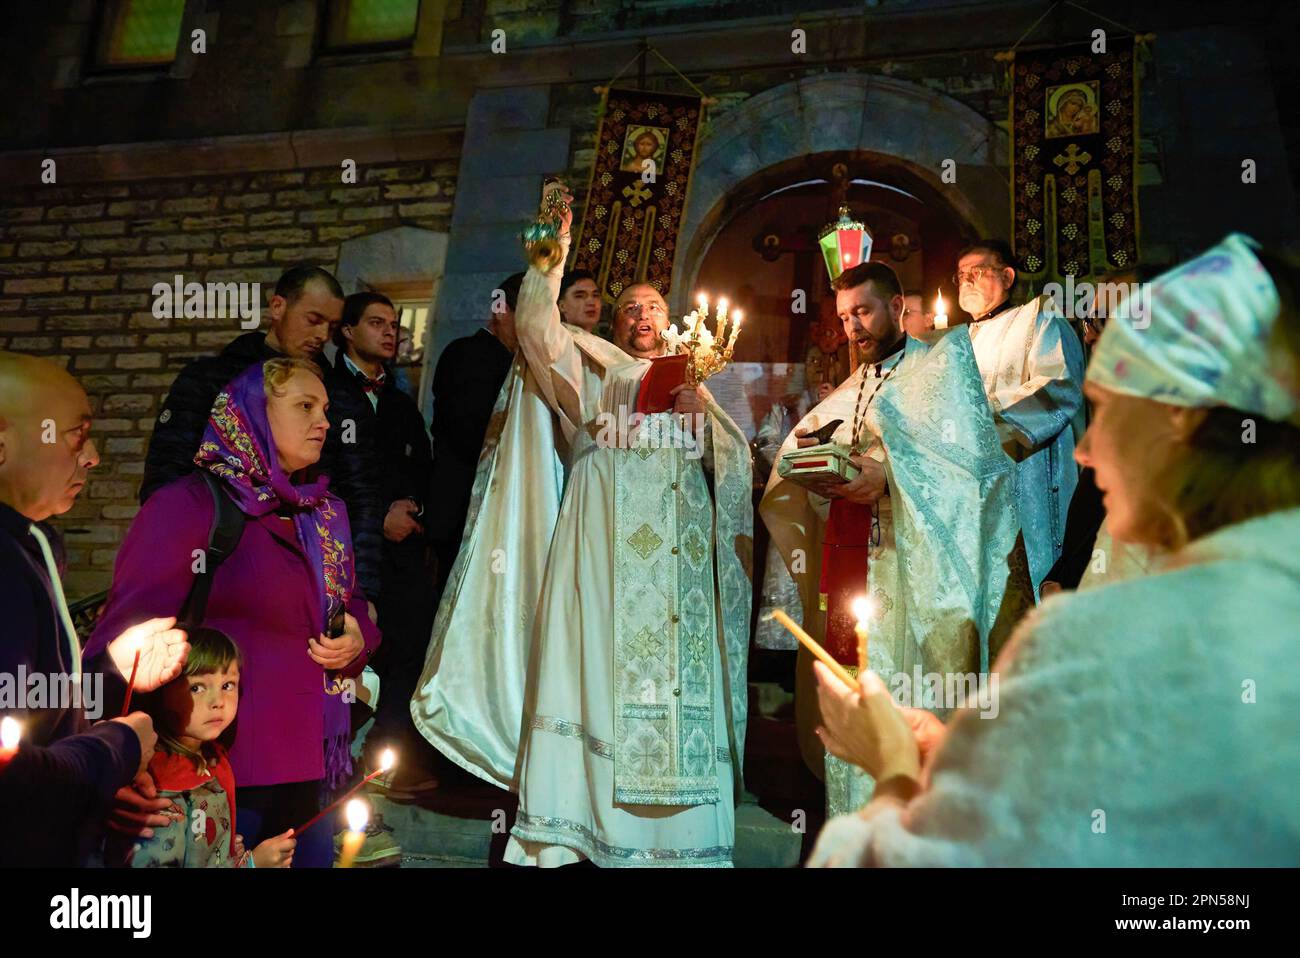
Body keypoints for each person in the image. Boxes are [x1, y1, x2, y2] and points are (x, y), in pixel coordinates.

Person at [807, 234, 1300, 866]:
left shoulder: (1096, 634)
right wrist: (958, 751)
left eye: (1107, 411)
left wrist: (895, 768)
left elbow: (904, 858)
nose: (1087, 451)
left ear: (1178, 418)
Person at [416, 181, 753, 867]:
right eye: (627, 308)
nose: (638, 317)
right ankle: (578, 824)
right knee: (595, 663)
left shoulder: (697, 379)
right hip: (603, 536)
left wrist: (698, 416)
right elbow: (536, 330)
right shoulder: (590, 360)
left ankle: (675, 836)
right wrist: (550, 254)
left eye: (652, 307)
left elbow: (737, 463)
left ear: (673, 320)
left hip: (677, 555)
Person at [87, 358, 381, 868]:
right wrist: (111, 759)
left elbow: (346, 601)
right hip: (217, 767)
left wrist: (359, 635)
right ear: (254, 415)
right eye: (305, 407)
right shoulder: (189, 506)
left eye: (327, 410)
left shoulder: (324, 513)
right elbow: (121, 644)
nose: (325, 423)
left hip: (312, 762)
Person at [759, 262, 1022, 811]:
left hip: (914, 577)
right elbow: (797, 467)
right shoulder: (854, 386)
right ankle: (858, 830)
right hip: (855, 563)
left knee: (909, 699)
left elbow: (979, 472)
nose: (853, 326)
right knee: (857, 698)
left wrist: (891, 476)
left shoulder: (941, 370)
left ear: (898, 306)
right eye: (844, 316)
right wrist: (822, 476)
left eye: (864, 311)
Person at [0, 351, 187, 865]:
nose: (94, 456)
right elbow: (10, 777)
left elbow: (32, 712)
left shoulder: (31, 545)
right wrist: (117, 748)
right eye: (76, 436)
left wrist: (106, 672)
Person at [140, 265, 384, 602]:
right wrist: (169, 563)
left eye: (330, 326)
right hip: (215, 551)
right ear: (278, 307)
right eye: (313, 319)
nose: (322, 335)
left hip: (310, 561)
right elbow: (167, 472)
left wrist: (361, 594)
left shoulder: (341, 397)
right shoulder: (212, 378)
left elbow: (361, 496)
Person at [326, 292, 435, 806]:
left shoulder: (400, 401)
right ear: (346, 330)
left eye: (394, 324)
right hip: (342, 550)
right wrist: (375, 516)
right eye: (376, 323)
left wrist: (412, 507)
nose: (390, 332)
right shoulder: (325, 391)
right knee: (347, 650)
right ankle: (332, 761)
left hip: (401, 554)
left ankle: (380, 758)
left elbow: (424, 465)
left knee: (409, 647)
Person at [954, 240, 1085, 597]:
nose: (966, 280)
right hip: (974, 493)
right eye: (960, 275)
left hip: (1028, 478)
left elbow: (1058, 385)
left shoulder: (1039, 316)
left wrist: (981, 416)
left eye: (976, 272)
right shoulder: (958, 341)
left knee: (1027, 589)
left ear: (1007, 276)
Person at [122, 628, 297, 868]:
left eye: (228, 685)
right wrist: (252, 865)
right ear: (159, 691)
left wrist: (225, 848)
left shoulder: (210, 757)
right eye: (197, 687)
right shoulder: (159, 787)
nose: (218, 702)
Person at [425, 272, 523, 595]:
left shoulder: (514, 363)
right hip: (463, 513)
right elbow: (469, 433)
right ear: (501, 310)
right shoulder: (469, 354)